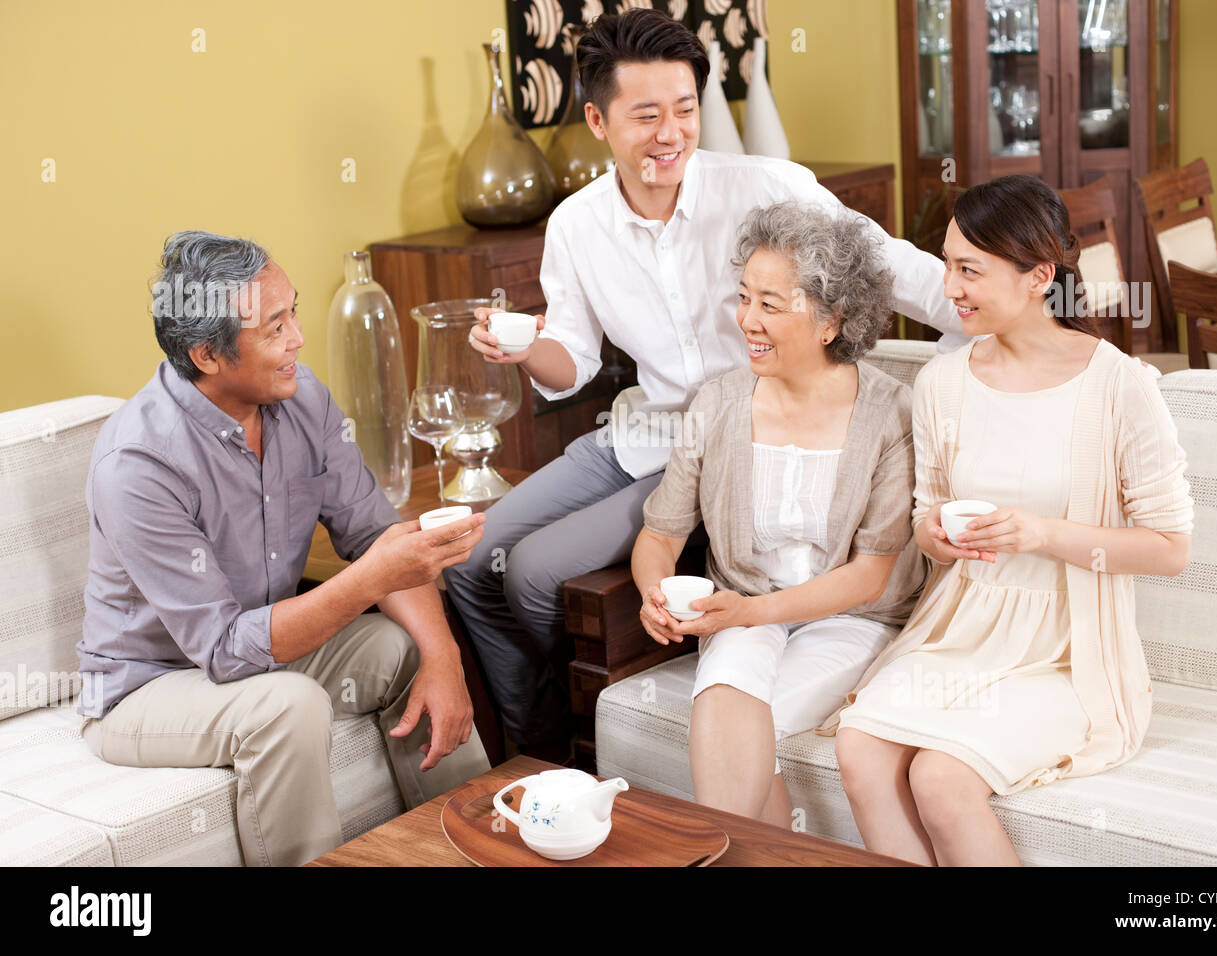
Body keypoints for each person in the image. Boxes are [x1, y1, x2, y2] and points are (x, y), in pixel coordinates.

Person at [443, 7, 967, 760]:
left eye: (685, 109)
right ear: (597, 118)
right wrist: (520, 351)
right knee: (468, 562)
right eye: (646, 114)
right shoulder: (577, 225)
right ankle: (524, 743)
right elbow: (573, 359)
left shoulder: (763, 186)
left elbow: (889, 265)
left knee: (529, 573)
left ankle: (559, 746)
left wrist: (1003, 327)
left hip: (730, 438)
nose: (671, 133)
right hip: (643, 433)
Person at [77, 230, 492, 866]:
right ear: (207, 356)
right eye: (276, 327)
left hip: (254, 654)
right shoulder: (138, 465)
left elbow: (374, 535)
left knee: (402, 646)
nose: (298, 337)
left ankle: (475, 853)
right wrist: (371, 579)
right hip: (149, 688)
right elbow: (220, 650)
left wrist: (444, 656)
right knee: (288, 706)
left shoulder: (302, 401)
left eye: (292, 310)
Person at [825, 174, 1194, 866]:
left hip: (1066, 651)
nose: (951, 287)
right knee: (860, 748)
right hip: (961, 635)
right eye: (947, 266)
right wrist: (933, 535)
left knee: (940, 776)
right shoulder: (943, 382)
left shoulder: (1119, 386)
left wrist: (1042, 534)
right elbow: (926, 516)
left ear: (1038, 277)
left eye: (970, 270)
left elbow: (1172, 547)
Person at [629, 201, 927, 826]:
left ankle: (728, 852)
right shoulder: (717, 404)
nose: (746, 320)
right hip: (744, 606)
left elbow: (871, 575)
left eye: (770, 303)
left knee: (744, 716)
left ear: (830, 322)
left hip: (852, 617)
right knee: (727, 689)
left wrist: (749, 614)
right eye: (744, 297)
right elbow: (660, 534)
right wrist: (654, 593)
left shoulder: (891, 414)